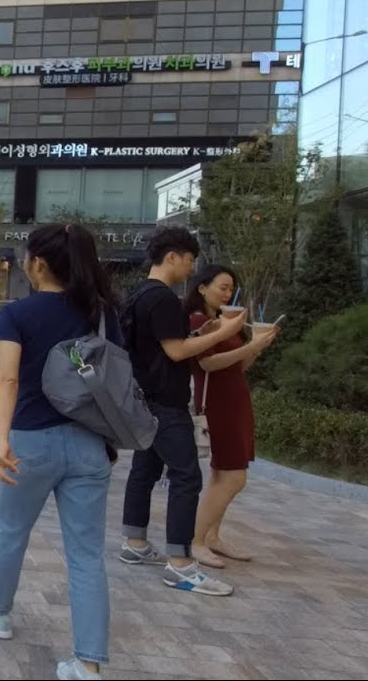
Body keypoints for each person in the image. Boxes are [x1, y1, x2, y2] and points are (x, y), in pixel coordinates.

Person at [0, 224, 123, 681]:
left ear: (38, 264)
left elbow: (8, 379)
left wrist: (2, 439)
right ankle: (88, 663)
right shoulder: (100, 313)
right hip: (90, 444)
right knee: (86, 555)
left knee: (12, 530)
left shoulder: (17, 314)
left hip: (31, 442)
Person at [119, 227, 245, 596]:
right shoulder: (163, 299)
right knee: (187, 477)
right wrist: (224, 332)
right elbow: (176, 352)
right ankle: (181, 564)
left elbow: (164, 345)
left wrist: (204, 332)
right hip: (164, 401)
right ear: (172, 257)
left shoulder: (139, 294)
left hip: (142, 397)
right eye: (189, 260)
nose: (191, 268)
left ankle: (135, 542)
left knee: (145, 469)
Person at [184, 265, 277, 568]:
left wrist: (257, 346)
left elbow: (239, 366)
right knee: (234, 477)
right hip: (217, 403)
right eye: (222, 287)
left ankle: (211, 536)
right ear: (202, 288)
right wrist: (248, 344)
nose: (227, 293)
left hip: (235, 400)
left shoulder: (225, 321)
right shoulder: (200, 321)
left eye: (231, 289)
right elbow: (207, 363)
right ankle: (195, 541)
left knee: (222, 474)